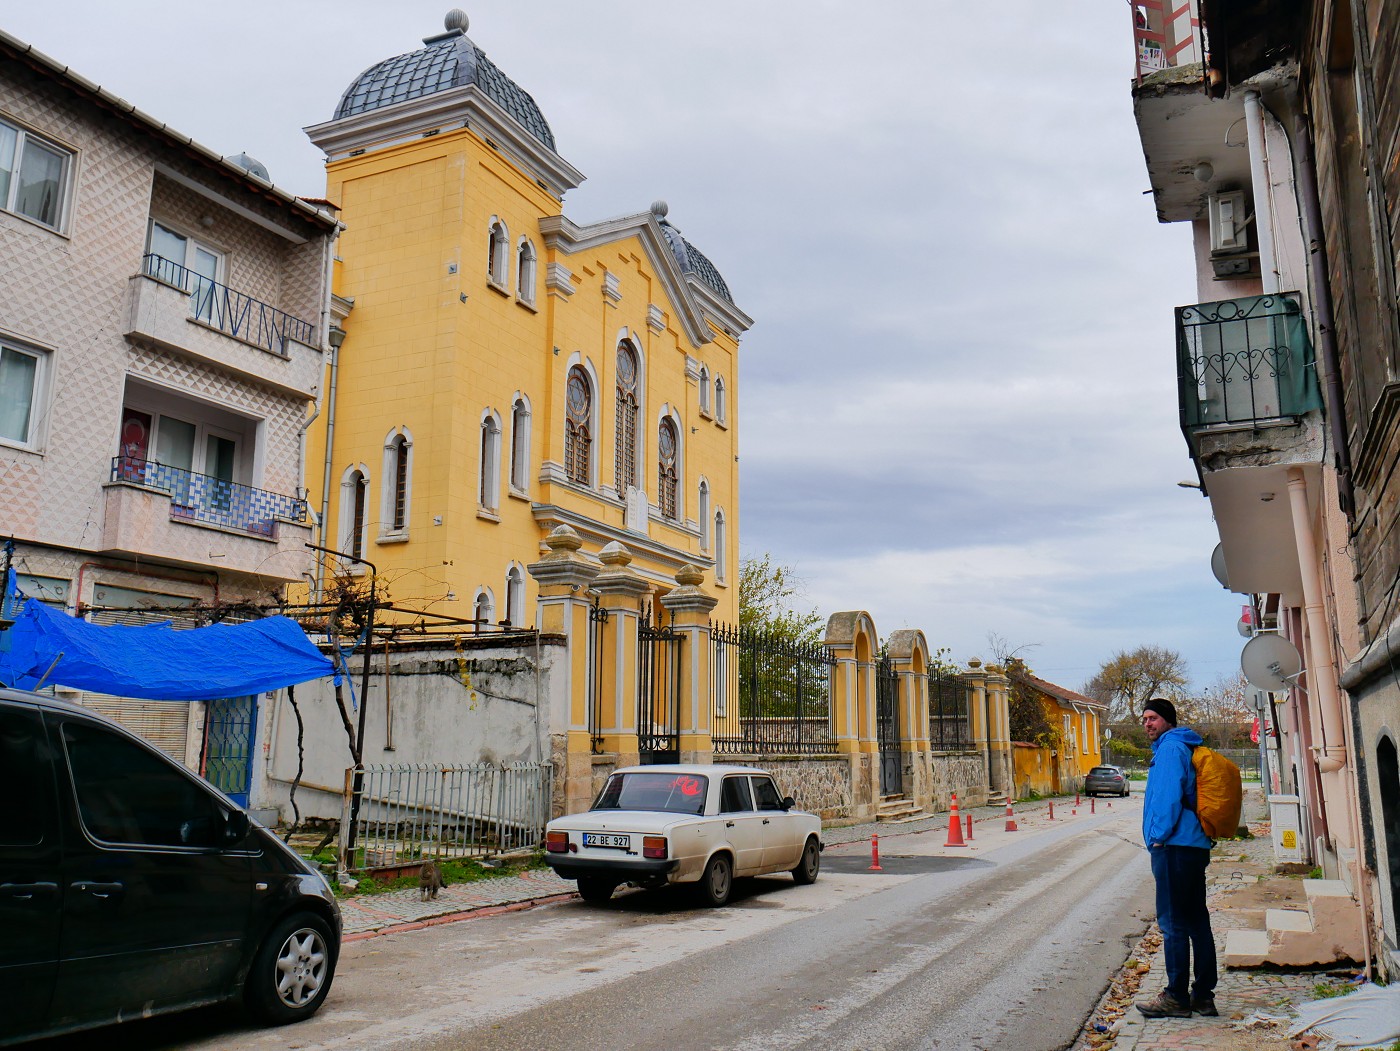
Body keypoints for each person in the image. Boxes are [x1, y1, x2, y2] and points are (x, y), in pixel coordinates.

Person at [1135, 697, 1218, 1019]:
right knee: (1197, 920)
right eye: (1144, 719)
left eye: (1153, 718)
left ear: (1168, 720)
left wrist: (1156, 838)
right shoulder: (1181, 746)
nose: (1147, 724)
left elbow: (1168, 799)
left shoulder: (1170, 750)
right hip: (1193, 845)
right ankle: (1203, 996)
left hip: (1174, 846)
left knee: (1172, 923)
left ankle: (1175, 997)